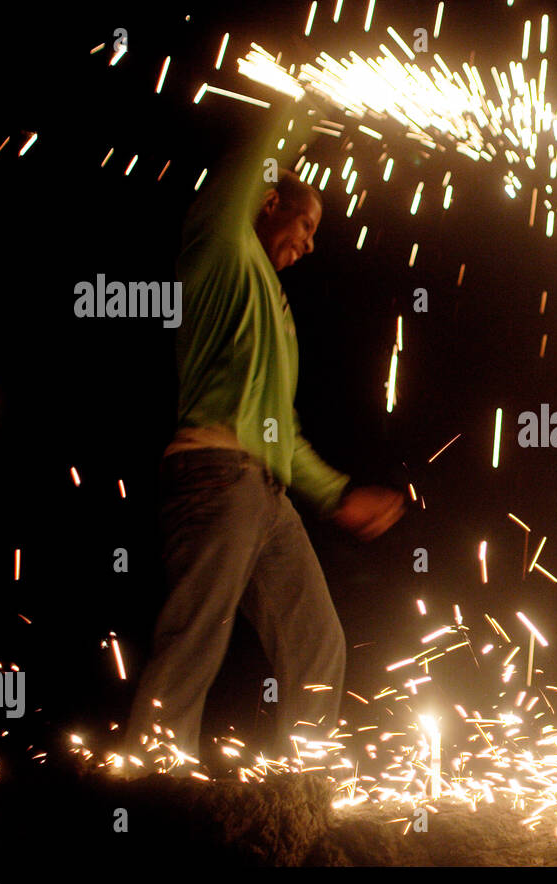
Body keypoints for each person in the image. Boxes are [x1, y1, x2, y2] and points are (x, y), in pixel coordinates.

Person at [123, 97, 406, 773]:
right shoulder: (220, 248)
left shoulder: (276, 308)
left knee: (318, 643)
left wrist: (337, 494)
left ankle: (300, 787)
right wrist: (306, 102)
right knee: (197, 634)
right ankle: (146, 786)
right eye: (304, 223)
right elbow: (246, 170)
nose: (308, 243)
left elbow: (283, 432)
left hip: (265, 491)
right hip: (212, 477)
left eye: (315, 235)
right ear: (270, 202)